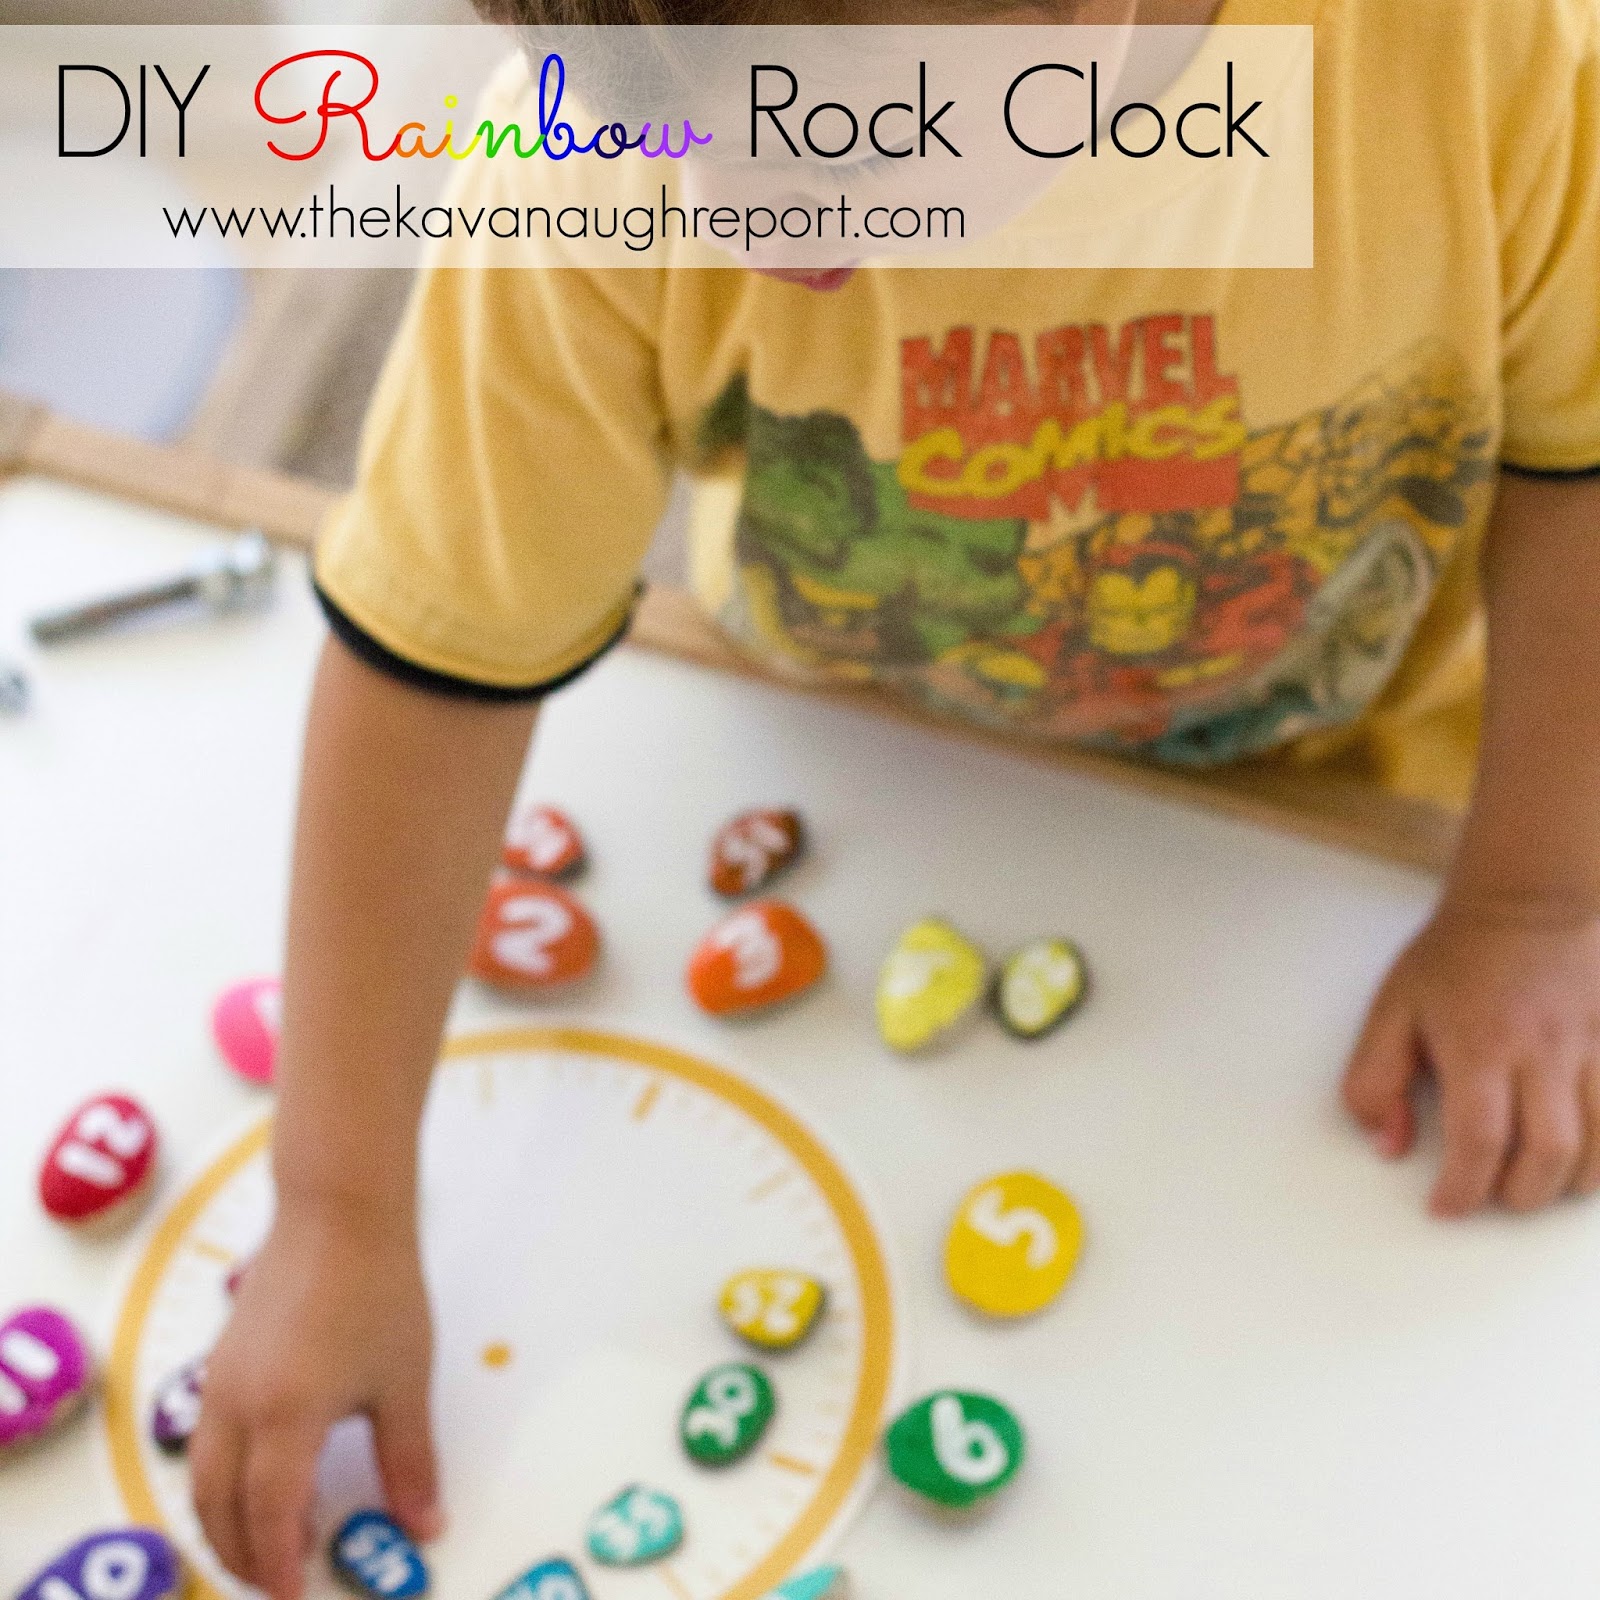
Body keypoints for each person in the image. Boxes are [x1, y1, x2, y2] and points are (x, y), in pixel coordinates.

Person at [191, 0, 1600, 1591]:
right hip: (861, 766)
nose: (696, 197)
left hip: (1349, 808)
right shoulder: (608, 151)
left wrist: (1538, 899)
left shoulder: (1479, 57)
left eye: (795, 145)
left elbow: (1585, 461)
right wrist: (337, 1199)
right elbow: (435, 653)